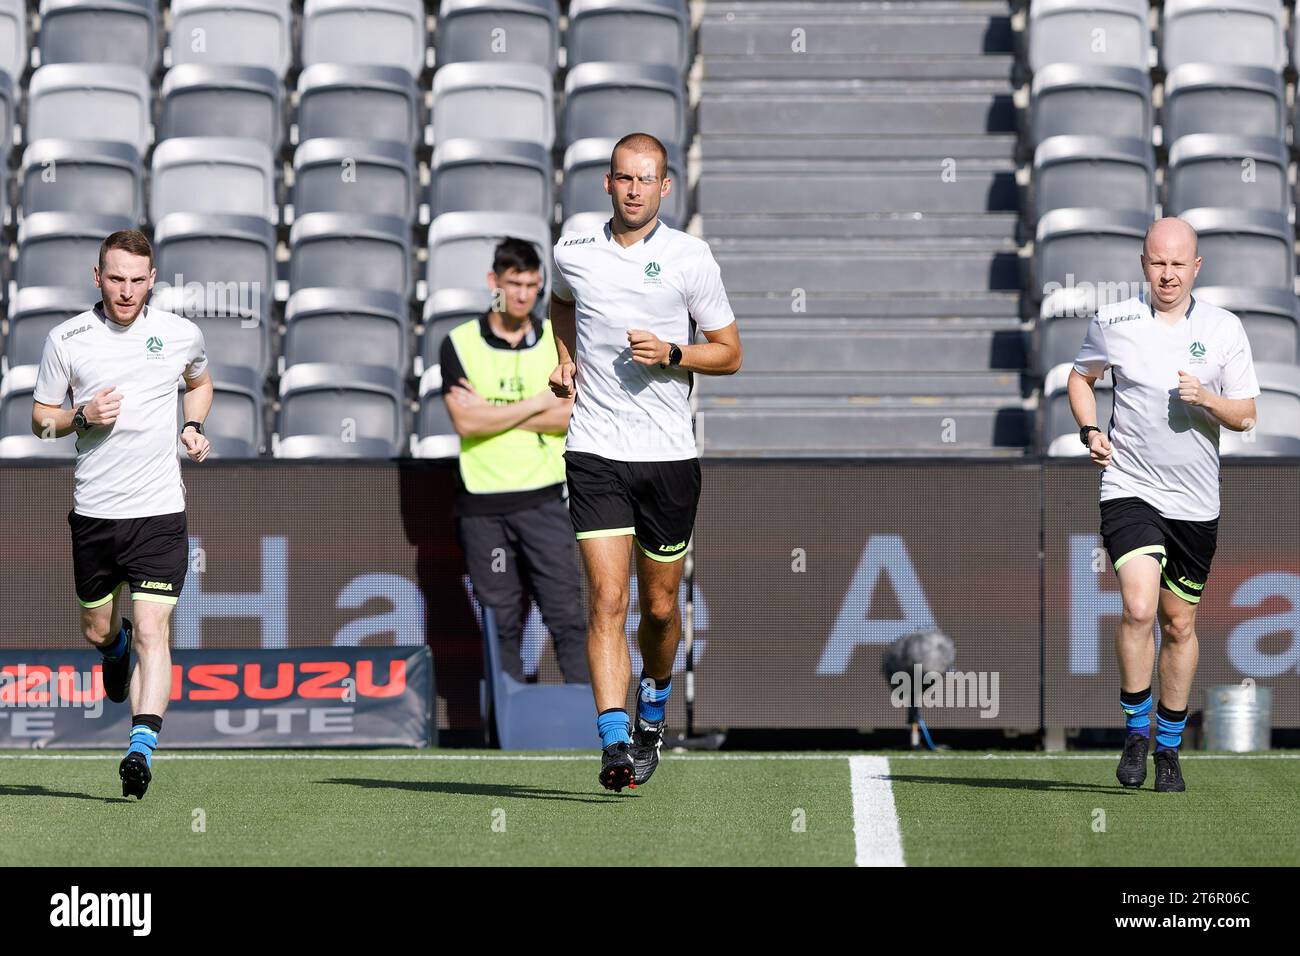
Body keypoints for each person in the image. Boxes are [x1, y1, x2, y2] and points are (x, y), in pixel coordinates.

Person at [548, 132, 743, 791]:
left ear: (665, 188)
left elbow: (730, 351)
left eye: (646, 180)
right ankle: (613, 740)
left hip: (668, 457)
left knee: (659, 610)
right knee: (606, 596)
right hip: (595, 449)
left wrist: (674, 355)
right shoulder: (574, 243)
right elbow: (560, 301)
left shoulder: (690, 257)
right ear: (607, 183)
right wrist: (566, 357)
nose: (633, 189)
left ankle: (652, 708)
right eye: (623, 178)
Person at [1068, 217, 1259, 793]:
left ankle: (1169, 749)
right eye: (1158, 263)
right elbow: (1080, 379)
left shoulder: (1224, 330)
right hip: (1131, 486)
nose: (1168, 274)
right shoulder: (1115, 321)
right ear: (1143, 265)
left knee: (1179, 626)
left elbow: (1247, 415)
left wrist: (1208, 399)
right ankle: (1134, 731)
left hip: (1196, 502)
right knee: (1139, 607)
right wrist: (1089, 430)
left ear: (1196, 267)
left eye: (1178, 264)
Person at [31, 229, 212, 799]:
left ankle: (141, 750)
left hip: (159, 511)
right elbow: (39, 421)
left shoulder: (180, 333)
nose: (127, 291)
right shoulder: (68, 338)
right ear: (97, 277)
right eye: (116, 279)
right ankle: (112, 648)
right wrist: (80, 415)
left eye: (138, 280)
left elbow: (200, 383)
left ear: (153, 279)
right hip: (94, 514)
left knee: (154, 632)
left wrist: (193, 425)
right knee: (99, 628)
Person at [440, 238, 589, 687]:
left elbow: (570, 415)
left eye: (533, 285)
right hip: (482, 505)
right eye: (515, 284)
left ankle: (594, 724)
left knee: (566, 614)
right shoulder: (460, 342)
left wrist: (494, 414)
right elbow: (466, 422)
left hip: (544, 500)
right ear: (495, 283)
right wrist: (537, 403)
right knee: (499, 620)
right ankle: (507, 731)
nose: (524, 294)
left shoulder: (556, 340)